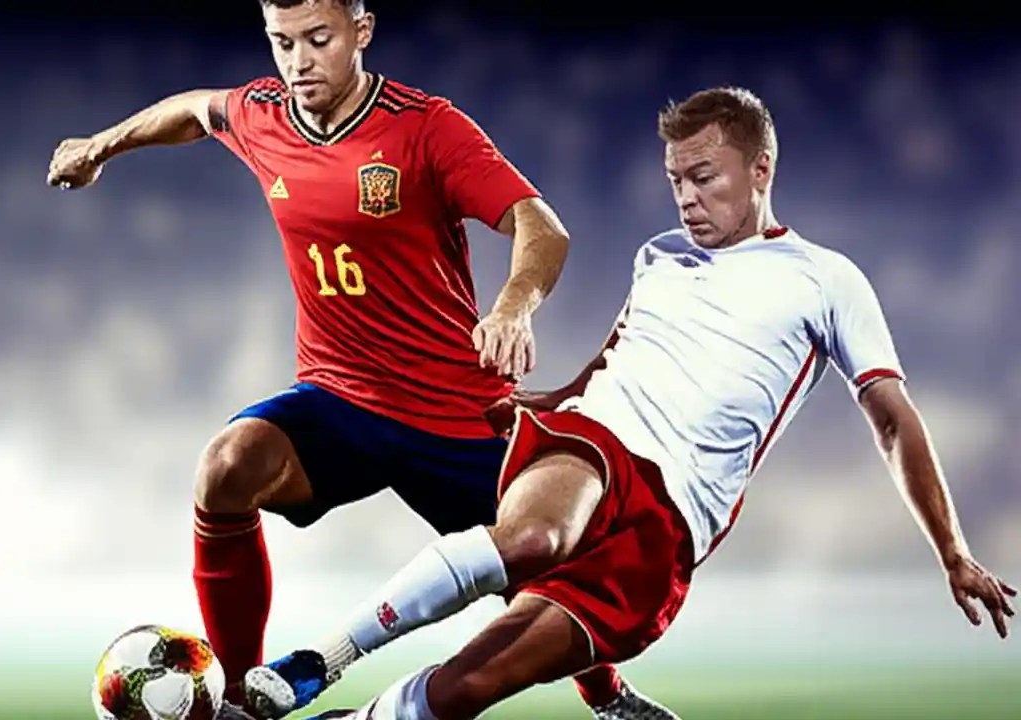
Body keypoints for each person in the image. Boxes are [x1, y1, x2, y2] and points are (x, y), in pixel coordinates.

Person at [242, 85, 1017, 720]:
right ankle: (321, 658)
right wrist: (543, 406)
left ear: (761, 169)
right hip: (594, 442)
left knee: (464, 690)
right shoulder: (661, 257)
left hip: (677, 517)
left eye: (704, 176)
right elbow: (613, 364)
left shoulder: (827, 280)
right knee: (538, 536)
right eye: (675, 178)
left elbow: (892, 419)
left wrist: (953, 552)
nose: (685, 197)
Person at [48, 1, 667, 715]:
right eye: (282, 43)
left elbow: (540, 225)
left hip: (453, 413)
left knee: (544, 560)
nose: (299, 61)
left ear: (361, 32)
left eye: (318, 39)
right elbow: (196, 110)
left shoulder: (427, 127)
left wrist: (511, 306)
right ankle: (243, 699)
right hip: (338, 402)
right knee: (226, 467)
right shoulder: (263, 114)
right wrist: (101, 145)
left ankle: (608, 694)